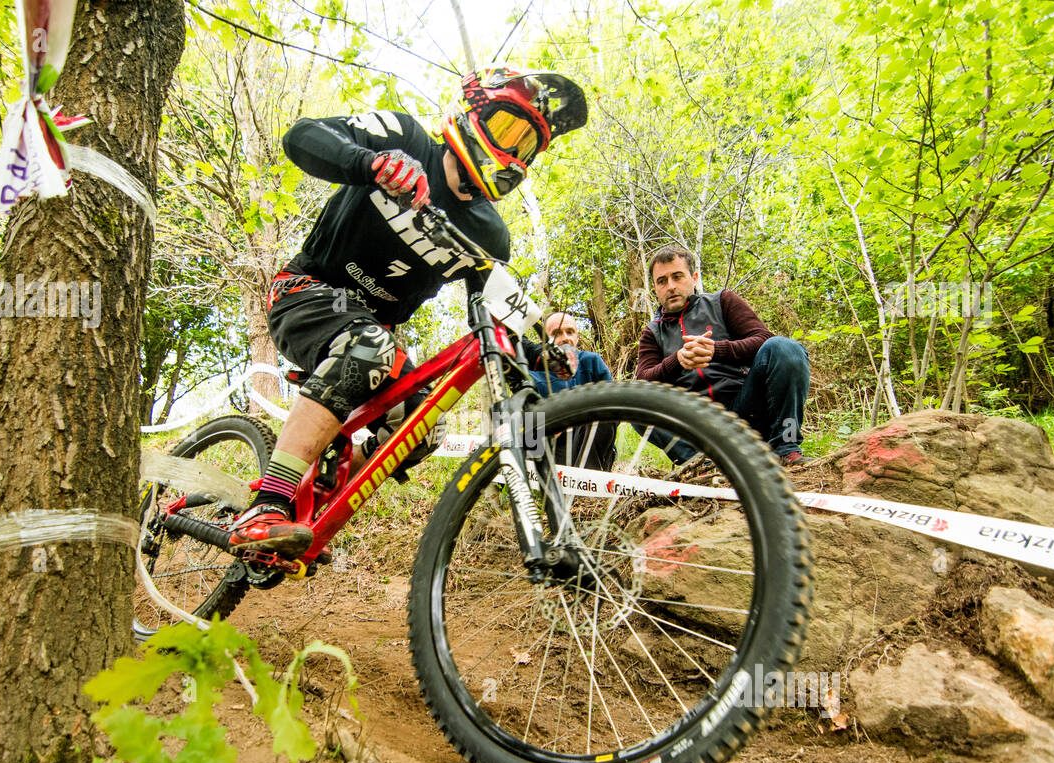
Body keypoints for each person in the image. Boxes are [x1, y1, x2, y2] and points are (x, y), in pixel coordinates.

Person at [229, 67, 588, 557]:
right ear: (473, 114)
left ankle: (313, 506)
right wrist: (371, 164)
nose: (513, 153)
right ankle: (268, 502)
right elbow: (302, 137)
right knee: (369, 346)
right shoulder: (406, 137)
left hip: (372, 335)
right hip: (307, 292)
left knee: (426, 426)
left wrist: (534, 350)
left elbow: (488, 312)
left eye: (527, 146)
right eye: (509, 130)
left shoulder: (490, 235)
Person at [635, 244, 811, 466]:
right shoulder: (652, 332)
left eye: (677, 277)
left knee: (786, 348)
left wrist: (716, 350)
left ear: (694, 277)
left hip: (747, 412)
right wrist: (677, 361)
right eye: (662, 281)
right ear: (655, 288)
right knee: (630, 401)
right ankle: (698, 465)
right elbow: (642, 381)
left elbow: (763, 340)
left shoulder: (722, 301)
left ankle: (785, 446)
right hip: (697, 430)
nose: (671, 286)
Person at [529, 311, 616, 469]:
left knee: (604, 410)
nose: (565, 338)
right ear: (543, 341)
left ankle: (587, 489)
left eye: (570, 332)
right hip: (550, 450)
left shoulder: (592, 362)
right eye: (556, 333)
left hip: (589, 446)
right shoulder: (532, 374)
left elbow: (615, 410)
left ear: (577, 337)